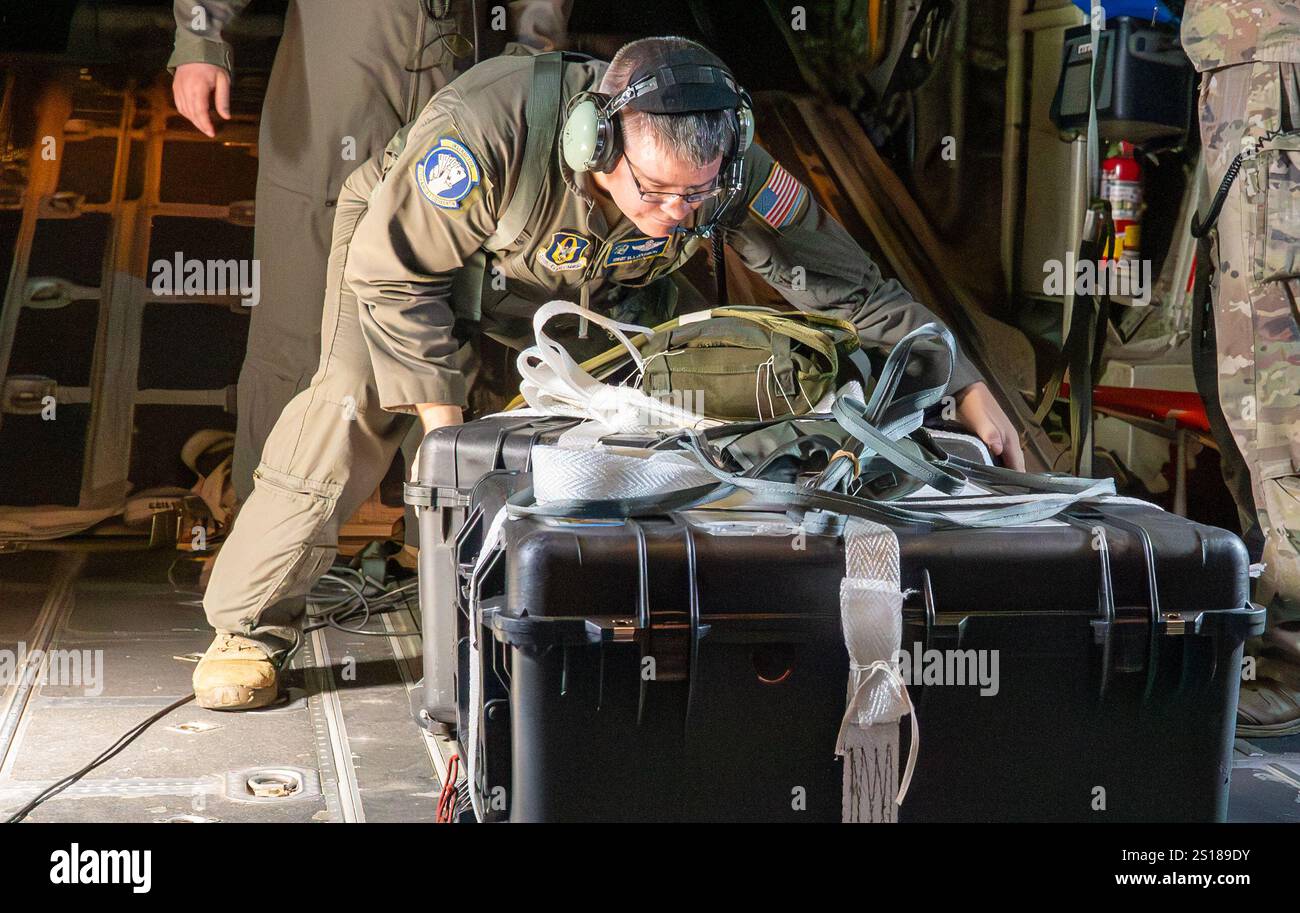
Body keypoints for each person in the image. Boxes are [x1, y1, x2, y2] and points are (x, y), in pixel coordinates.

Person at [191, 36, 1024, 710]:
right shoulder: (484, 129)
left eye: (696, 201)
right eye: (655, 191)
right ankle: (249, 625)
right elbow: (396, 275)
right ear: (597, 143)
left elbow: (851, 285)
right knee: (352, 407)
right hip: (416, 258)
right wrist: (452, 442)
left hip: (594, 289)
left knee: (678, 414)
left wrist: (968, 384)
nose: (675, 215)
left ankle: (627, 611)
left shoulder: (729, 169)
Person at [167, 0, 573, 500]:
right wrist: (199, 40)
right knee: (293, 332)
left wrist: (529, 66)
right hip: (328, 115)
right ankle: (262, 532)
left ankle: (449, 549)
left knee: (452, 335)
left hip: (461, 111)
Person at [1183, 0, 1300, 735]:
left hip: (1269, 70)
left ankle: (1291, 662)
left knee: (1272, 405)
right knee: (1233, 387)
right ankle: (1275, 644)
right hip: (1240, 68)